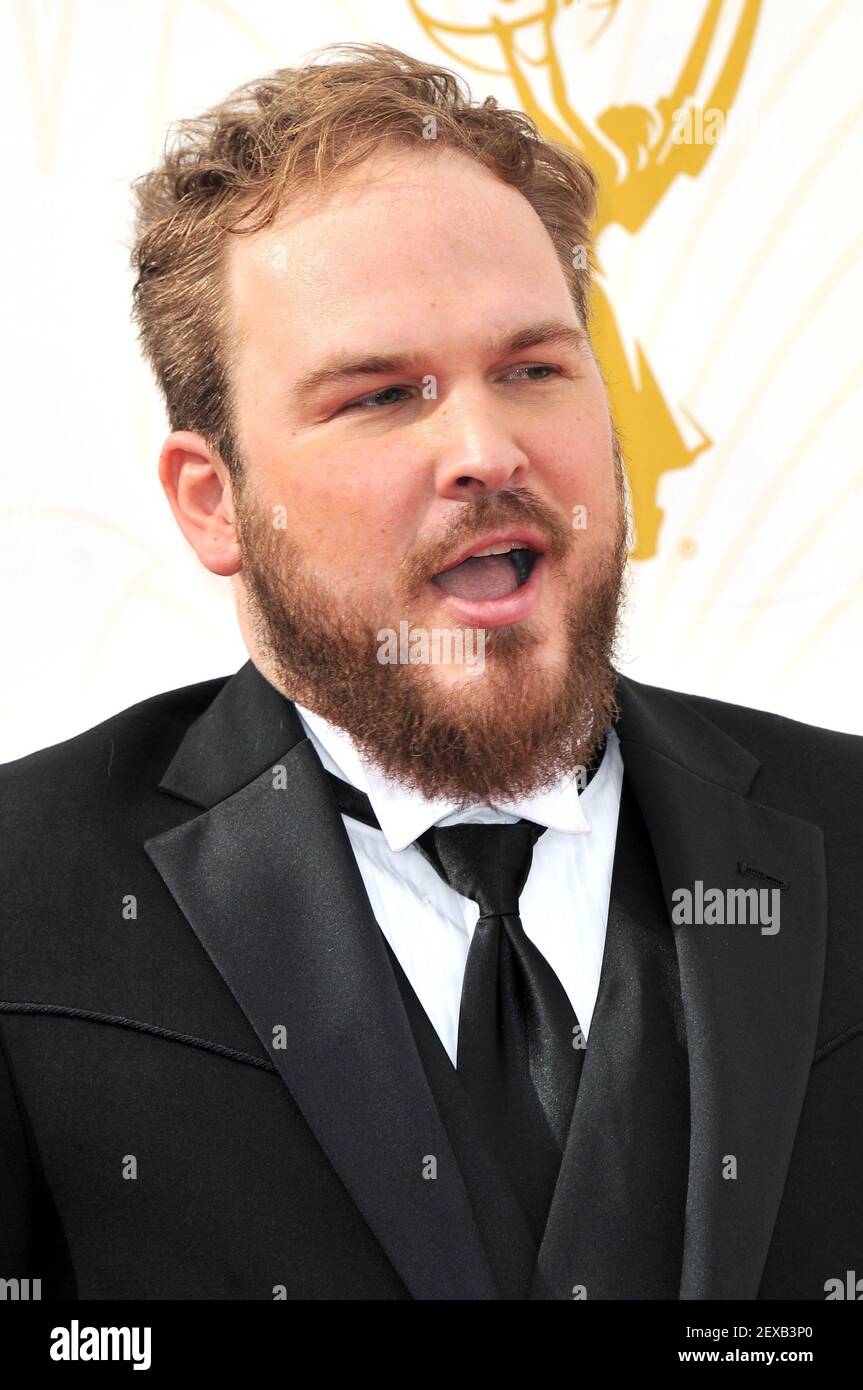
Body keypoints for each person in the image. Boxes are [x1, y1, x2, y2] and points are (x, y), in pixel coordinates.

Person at [1, 43, 861, 1302]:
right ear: (213, 499)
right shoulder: (27, 894)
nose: (484, 448)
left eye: (531, 369)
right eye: (380, 394)